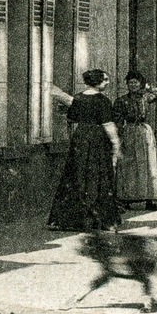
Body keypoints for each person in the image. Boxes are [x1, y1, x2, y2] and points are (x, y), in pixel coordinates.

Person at [49, 69, 123, 231]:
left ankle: (70, 219)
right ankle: (102, 220)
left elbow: (71, 119)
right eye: (105, 80)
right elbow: (108, 124)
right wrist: (116, 144)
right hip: (97, 139)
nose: (108, 82)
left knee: (77, 175)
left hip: (80, 137)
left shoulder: (78, 98)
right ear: (97, 82)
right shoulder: (103, 101)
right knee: (99, 177)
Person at [113, 70, 157, 211]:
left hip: (145, 133)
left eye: (136, 82)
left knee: (148, 165)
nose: (133, 85)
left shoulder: (145, 98)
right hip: (129, 133)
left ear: (140, 84)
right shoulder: (121, 100)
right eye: (130, 82)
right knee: (129, 166)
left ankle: (149, 199)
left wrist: (148, 87)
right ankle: (126, 199)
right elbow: (117, 120)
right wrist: (119, 136)